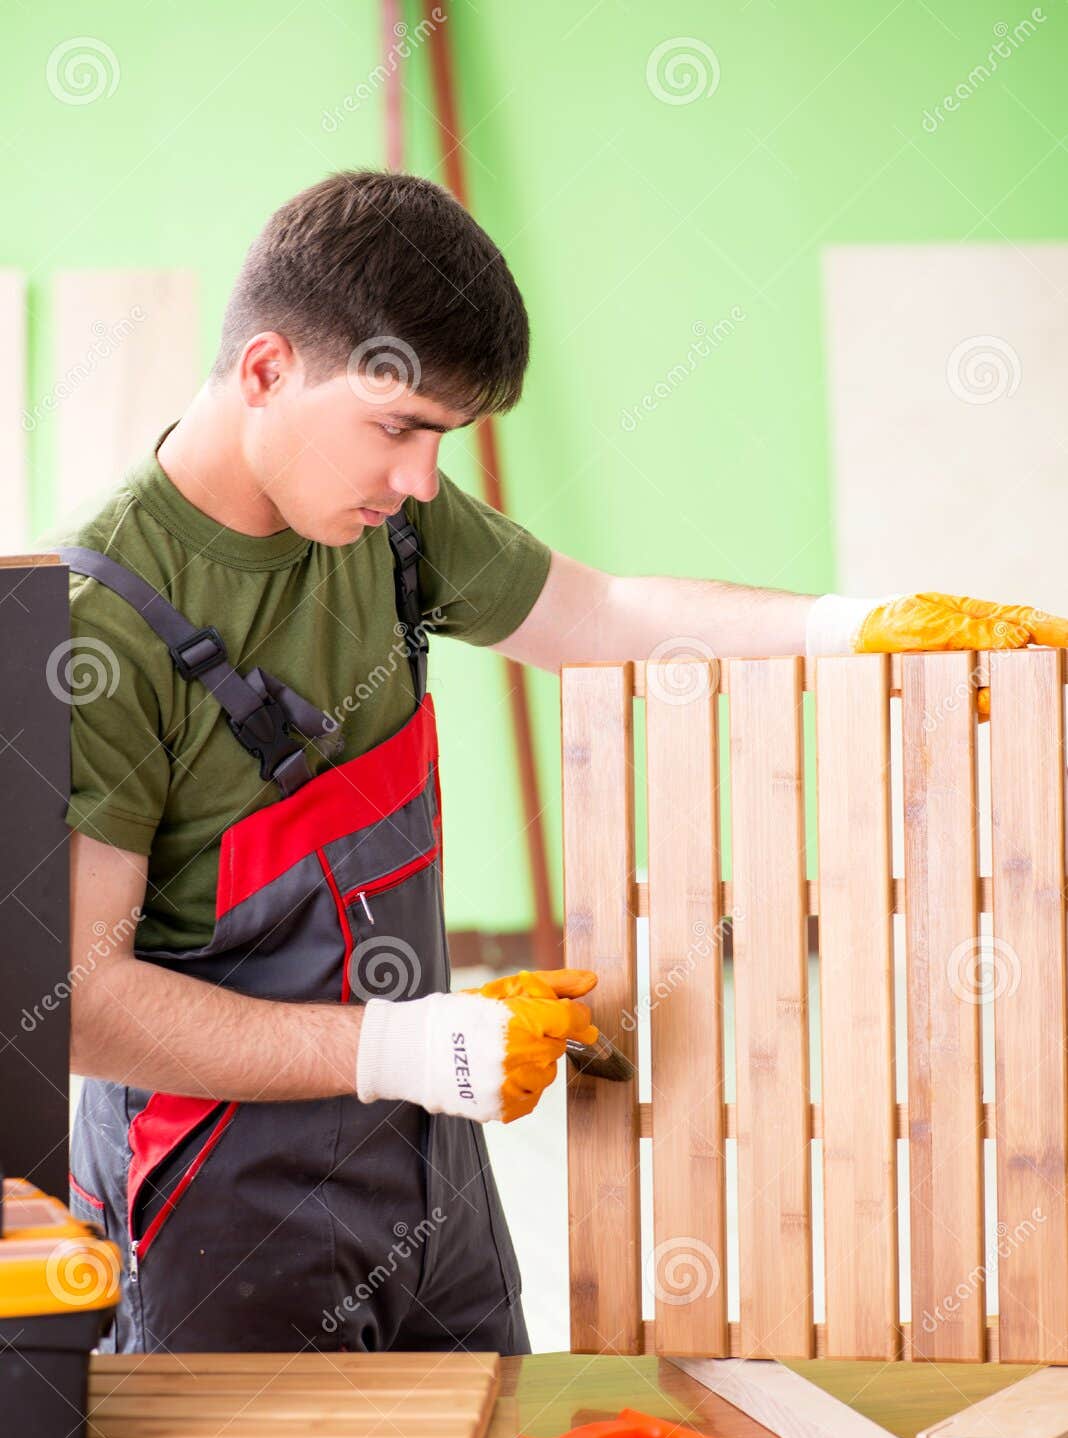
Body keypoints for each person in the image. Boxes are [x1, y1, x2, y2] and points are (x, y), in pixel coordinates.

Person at [48, 168, 1068, 1356]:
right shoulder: (97, 628)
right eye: (400, 429)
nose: (422, 480)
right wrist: (414, 1044)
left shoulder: (390, 528)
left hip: (432, 1168)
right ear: (268, 369)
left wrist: (855, 625)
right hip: (214, 1213)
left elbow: (604, 617)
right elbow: (77, 1004)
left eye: (444, 438)